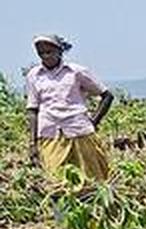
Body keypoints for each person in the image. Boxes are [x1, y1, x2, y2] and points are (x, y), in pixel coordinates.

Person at [24, 34, 114, 180]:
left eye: (49, 52)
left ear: (59, 51)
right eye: (41, 53)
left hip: (79, 131)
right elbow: (32, 109)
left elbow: (107, 96)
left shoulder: (76, 72)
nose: (45, 56)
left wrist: (94, 122)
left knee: (92, 178)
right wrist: (32, 144)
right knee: (55, 181)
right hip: (50, 134)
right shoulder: (34, 76)